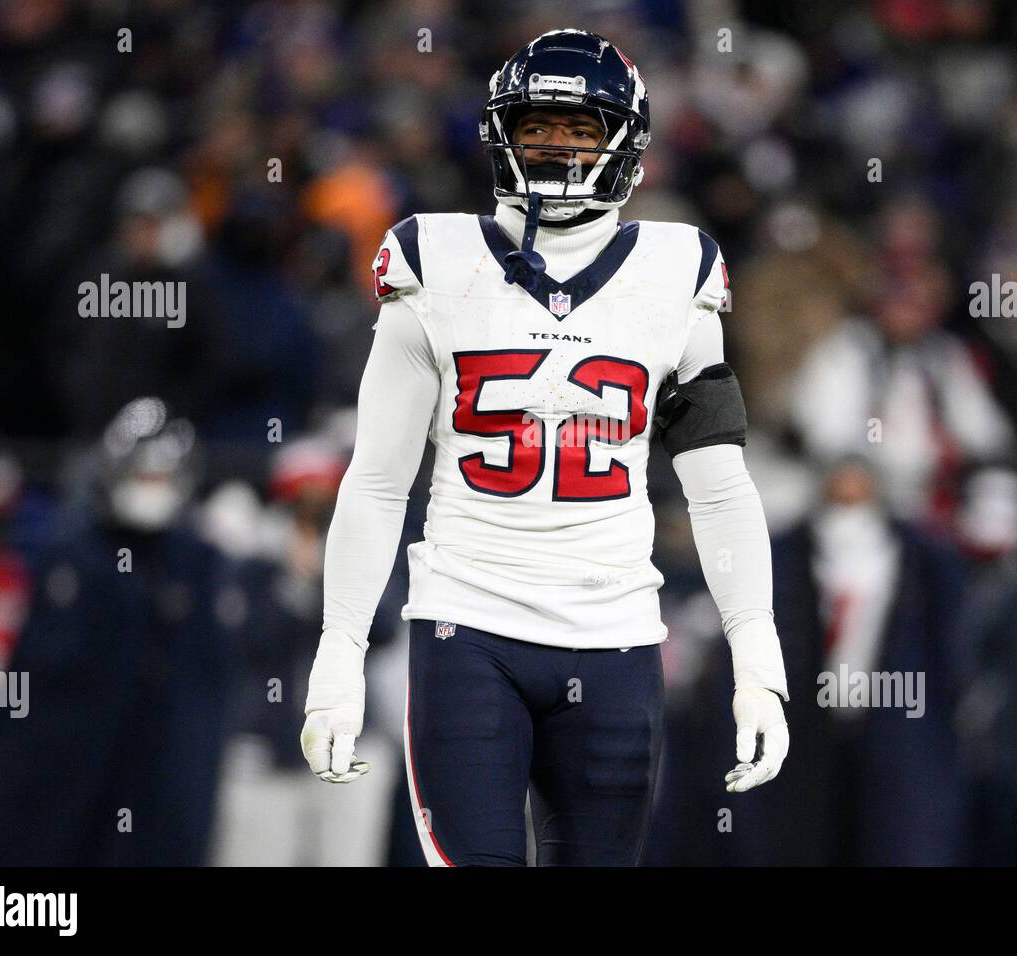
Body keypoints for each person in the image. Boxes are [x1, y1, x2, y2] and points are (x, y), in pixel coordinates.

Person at [300, 28, 789, 866]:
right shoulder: (432, 258)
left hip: (619, 633)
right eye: (537, 128)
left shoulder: (677, 269)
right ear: (501, 136)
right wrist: (338, 651)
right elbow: (379, 482)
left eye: (580, 129)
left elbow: (719, 489)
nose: (557, 147)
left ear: (624, 142)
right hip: (469, 624)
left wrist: (759, 657)